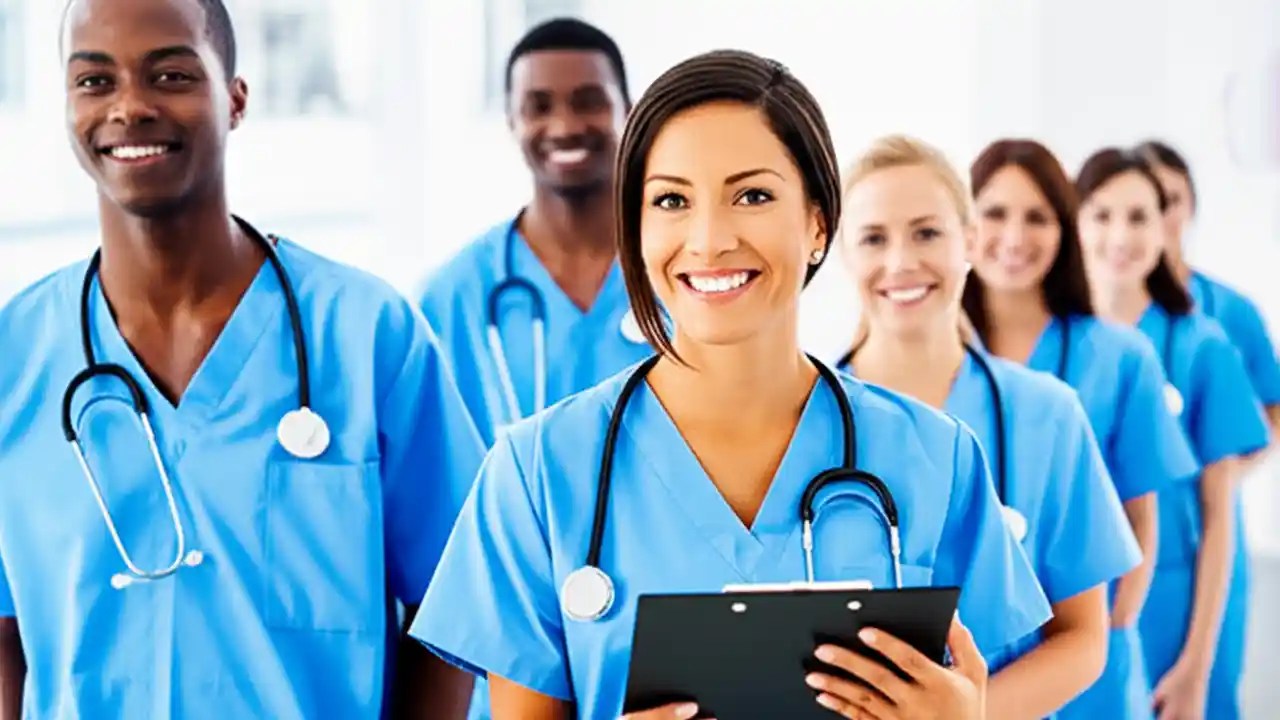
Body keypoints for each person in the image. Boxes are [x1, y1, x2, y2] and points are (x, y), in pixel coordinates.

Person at [408, 49, 1052, 720]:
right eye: (671, 201)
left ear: (817, 222)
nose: (709, 239)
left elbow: (999, 679)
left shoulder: (935, 458)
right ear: (636, 227)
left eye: (752, 195)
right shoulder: (537, 471)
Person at [0, 1, 483, 718]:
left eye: (169, 74)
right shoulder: (16, 354)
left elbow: (456, 604)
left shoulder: (366, 334)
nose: (130, 106)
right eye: (95, 82)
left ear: (235, 98)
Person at [835, 135, 1140, 719]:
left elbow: (1083, 638)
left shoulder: (1047, 414)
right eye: (874, 237)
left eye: (927, 232)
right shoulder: (800, 419)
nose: (901, 261)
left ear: (970, 241)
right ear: (841, 253)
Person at [963, 139, 1200, 719]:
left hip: (1085, 646)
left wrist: (1115, 625)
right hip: (966, 652)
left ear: (1065, 230)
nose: (1015, 237)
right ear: (963, 224)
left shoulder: (1121, 356)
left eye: (1038, 217)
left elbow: (1140, 513)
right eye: (995, 212)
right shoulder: (931, 357)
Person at [1075, 148, 1270, 720]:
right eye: (1102, 214)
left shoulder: (1203, 344)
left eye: (1139, 217)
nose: (1120, 235)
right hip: (1075, 594)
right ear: (1076, 220)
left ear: (1166, 225)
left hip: (1178, 593)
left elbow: (1217, 518)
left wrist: (1196, 667)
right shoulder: (1053, 343)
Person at [416, 18, 651, 448]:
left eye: (589, 102)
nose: (565, 126)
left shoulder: (683, 271)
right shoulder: (452, 297)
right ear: (511, 121)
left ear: (629, 112)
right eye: (538, 107)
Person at [1136, 140, 1280, 443]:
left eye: (1172, 200)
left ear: (1192, 206)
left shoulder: (1230, 310)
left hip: (1204, 490)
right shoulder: (1098, 313)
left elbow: (1274, 406)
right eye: (1150, 202)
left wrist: (1230, 470)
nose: (1162, 215)